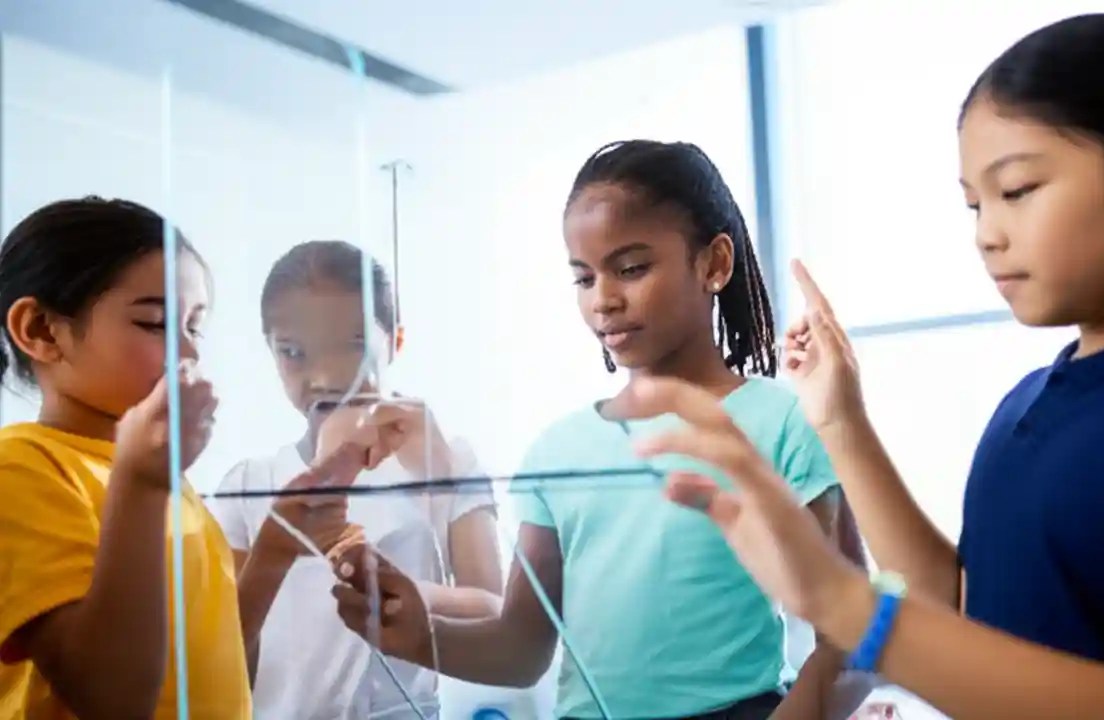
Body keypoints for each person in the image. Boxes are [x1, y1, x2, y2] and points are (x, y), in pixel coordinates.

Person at [616, 13, 1104, 720]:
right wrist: (841, 420)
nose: (987, 234)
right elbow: (955, 608)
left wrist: (846, 603)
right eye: (973, 204)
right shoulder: (1029, 400)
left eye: (1017, 190)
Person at [329, 141, 864, 719]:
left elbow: (853, 633)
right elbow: (521, 650)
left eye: (631, 269)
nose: (604, 300)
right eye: (584, 278)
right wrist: (419, 636)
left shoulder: (782, 422)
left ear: (713, 264)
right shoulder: (558, 451)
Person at [211, 240, 503, 719]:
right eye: (294, 352)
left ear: (396, 341)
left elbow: (498, 615)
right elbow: (220, 655)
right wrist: (275, 550)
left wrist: (405, 595)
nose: (324, 376)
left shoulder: (445, 460)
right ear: (271, 352)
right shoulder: (248, 484)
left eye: (350, 346)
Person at [0, 197, 249, 718]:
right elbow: (113, 701)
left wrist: (278, 550)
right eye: (155, 323)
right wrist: (142, 481)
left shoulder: (161, 481)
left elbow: (220, 671)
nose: (189, 353)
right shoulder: (22, 467)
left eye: (194, 327)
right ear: (40, 330)